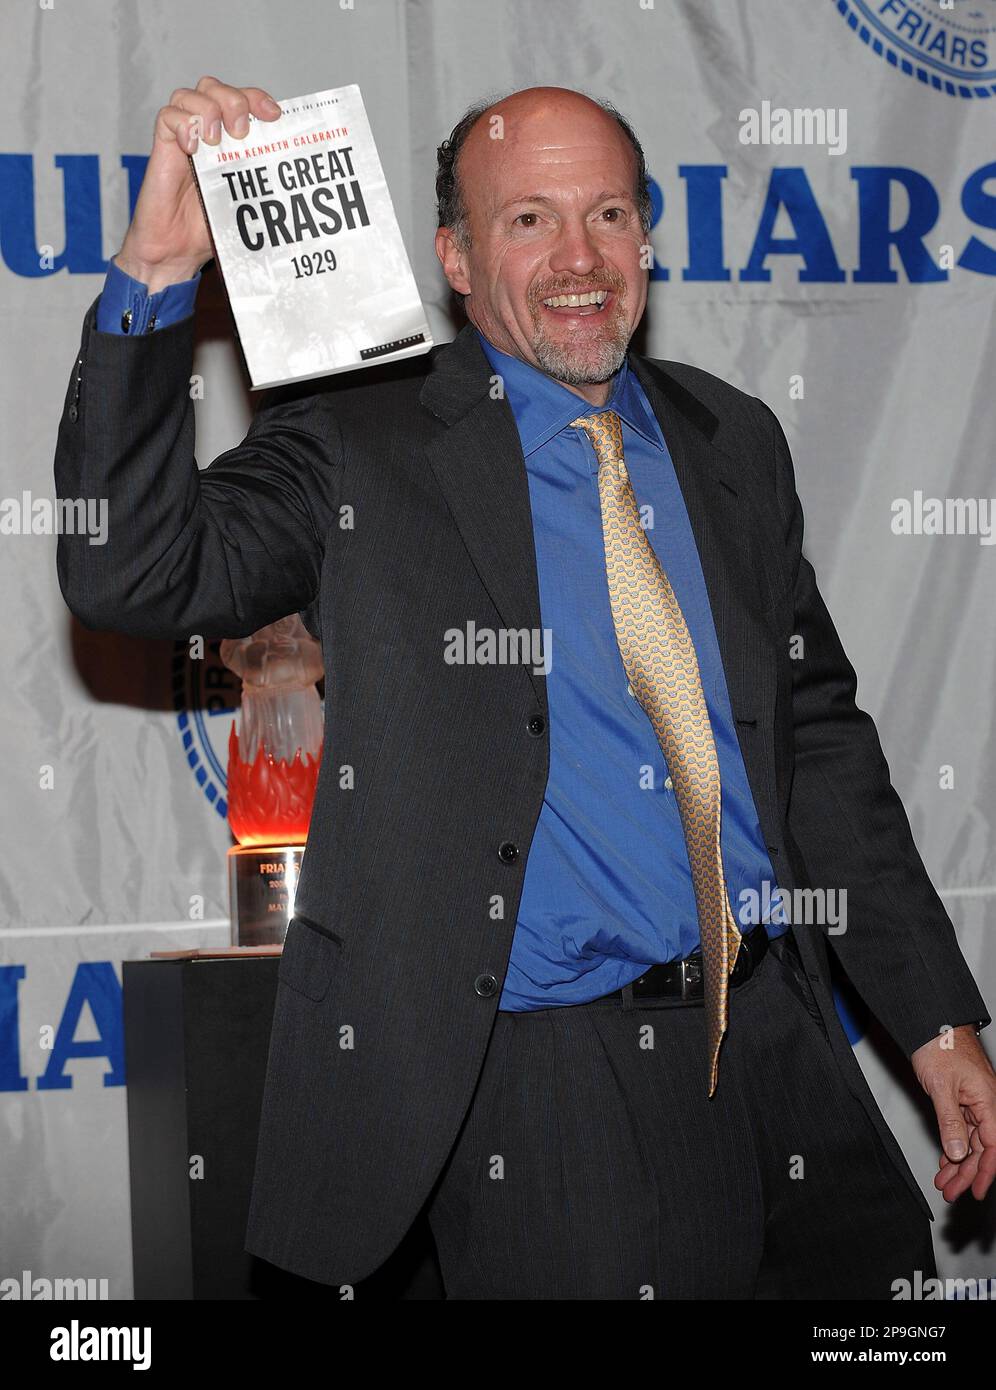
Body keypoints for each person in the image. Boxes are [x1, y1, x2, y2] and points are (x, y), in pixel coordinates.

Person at [54, 78, 994, 1300]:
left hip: (788, 1043)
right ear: (453, 255)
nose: (580, 259)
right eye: (529, 221)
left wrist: (932, 1016)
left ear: (648, 234)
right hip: (556, 1095)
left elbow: (817, 740)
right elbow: (131, 567)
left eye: (609, 214)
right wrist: (159, 272)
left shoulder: (733, 442)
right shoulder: (363, 444)